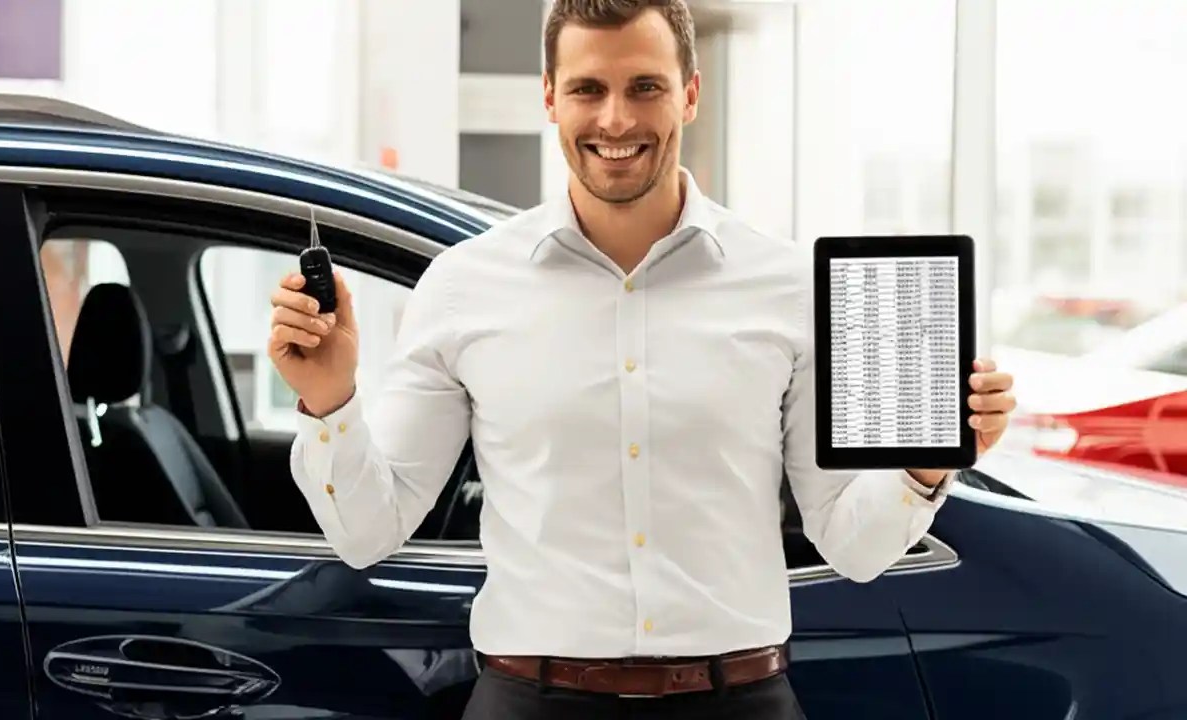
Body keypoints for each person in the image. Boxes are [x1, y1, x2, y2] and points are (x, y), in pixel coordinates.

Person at [268, 1, 1018, 717]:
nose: (616, 119)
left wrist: (926, 467)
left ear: (689, 94)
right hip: (530, 704)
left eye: (645, 87)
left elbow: (850, 547)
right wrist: (331, 401)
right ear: (550, 97)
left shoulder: (786, 286)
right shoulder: (464, 286)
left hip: (739, 704)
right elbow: (367, 532)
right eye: (588, 89)